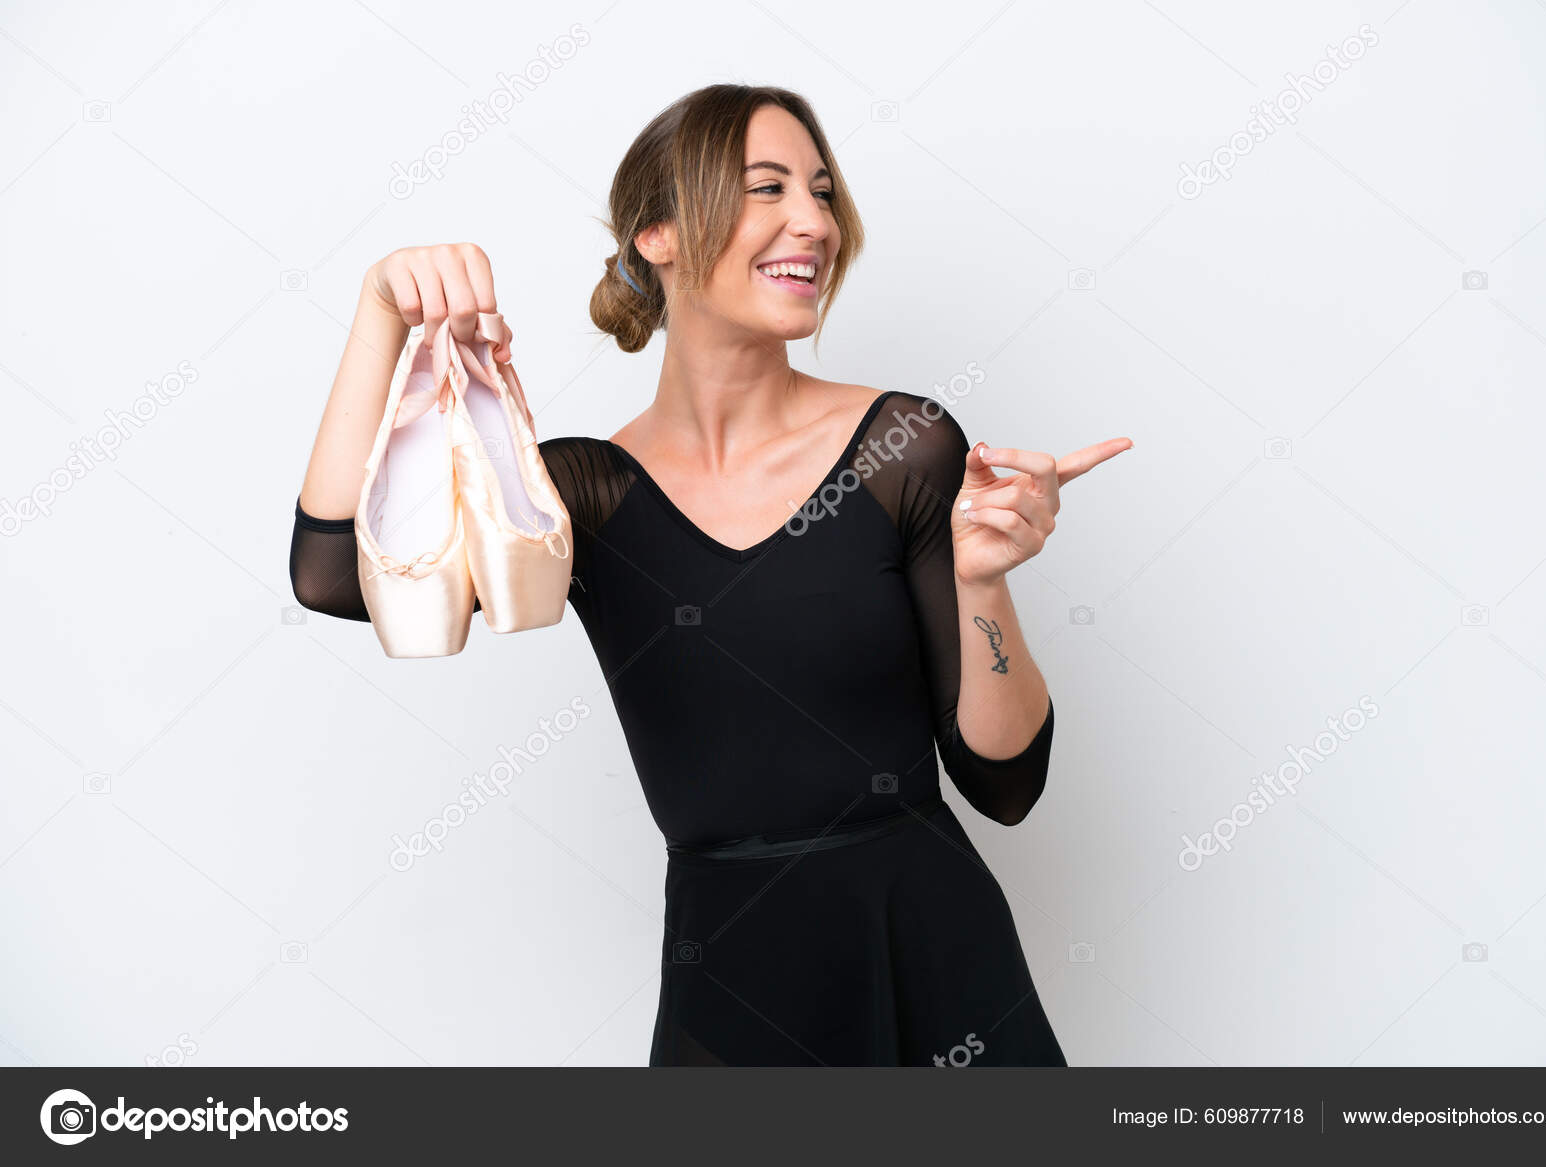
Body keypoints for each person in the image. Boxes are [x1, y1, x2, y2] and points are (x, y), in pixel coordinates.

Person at [289, 83, 1130, 1066]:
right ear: (658, 235)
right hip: (730, 978)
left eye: (821, 191)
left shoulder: (899, 446)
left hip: (939, 962)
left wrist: (984, 584)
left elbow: (1006, 783)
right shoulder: (580, 497)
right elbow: (332, 575)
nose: (814, 222)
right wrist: (380, 313)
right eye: (767, 188)